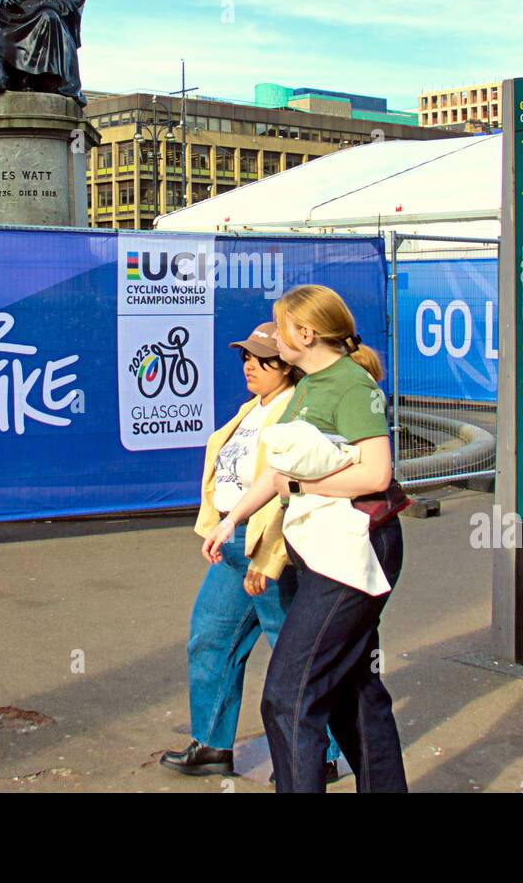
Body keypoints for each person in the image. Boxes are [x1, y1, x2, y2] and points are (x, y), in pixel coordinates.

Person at [204, 285, 407, 793]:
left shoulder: (350, 385)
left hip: (353, 551)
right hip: (325, 549)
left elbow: (376, 475)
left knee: (288, 695)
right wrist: (234, 520)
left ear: (306, 334)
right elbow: (278, 471)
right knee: (352, 689)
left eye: (282, 327)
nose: (274, 337)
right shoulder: (311, 385)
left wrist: (301, 486)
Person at [162, 322, 344, 780]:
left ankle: (319, 755)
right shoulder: (253, 409)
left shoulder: (296, 410)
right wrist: (222, 525)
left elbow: (290, 490)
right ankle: (211, 744)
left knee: (294, 650)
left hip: (271, 544)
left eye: (260, 358)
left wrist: (271, 556)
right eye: (245, 357)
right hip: (234, 543)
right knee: (209, 638)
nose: (249, 365)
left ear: (285, 364)